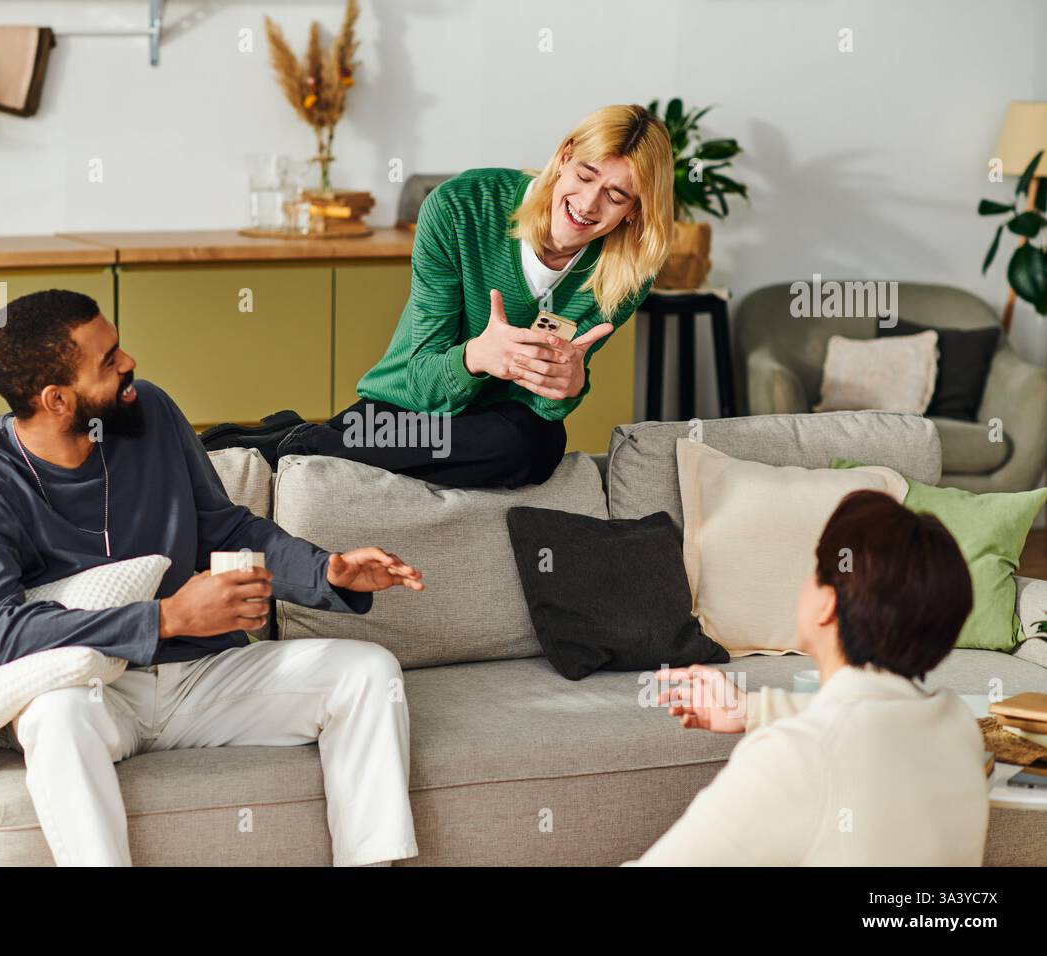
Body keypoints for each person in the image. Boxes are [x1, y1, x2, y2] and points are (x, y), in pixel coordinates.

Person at [0, 289, 425, 867]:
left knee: (368, 672)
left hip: (203, 676)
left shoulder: (151, 412)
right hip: (95, 691)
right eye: (109, 359)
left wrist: (329, 570)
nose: (130, 363)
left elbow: (225, 530)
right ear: (57, 399)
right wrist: (167, 617)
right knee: (54, 717)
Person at [202, 104, 674, 488]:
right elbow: (425, 381)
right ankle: (298, 441)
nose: (588, 205)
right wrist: (476, 356)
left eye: (615, 196)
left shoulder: (627, 270)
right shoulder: (461, 207)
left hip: (497, 423)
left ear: (634, 211)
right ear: (565, 156)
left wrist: (567, 387)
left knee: (536, 446)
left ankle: (330, 442)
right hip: (410, 402)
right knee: (492, 443)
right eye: (586, 175)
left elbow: (541, 406)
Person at [628, 490, 988, 866]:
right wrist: (749, 708)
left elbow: (828, 744)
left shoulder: (791, 758)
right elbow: (866, 722)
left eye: (815, 571)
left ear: (827, 605)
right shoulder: (956, 725)